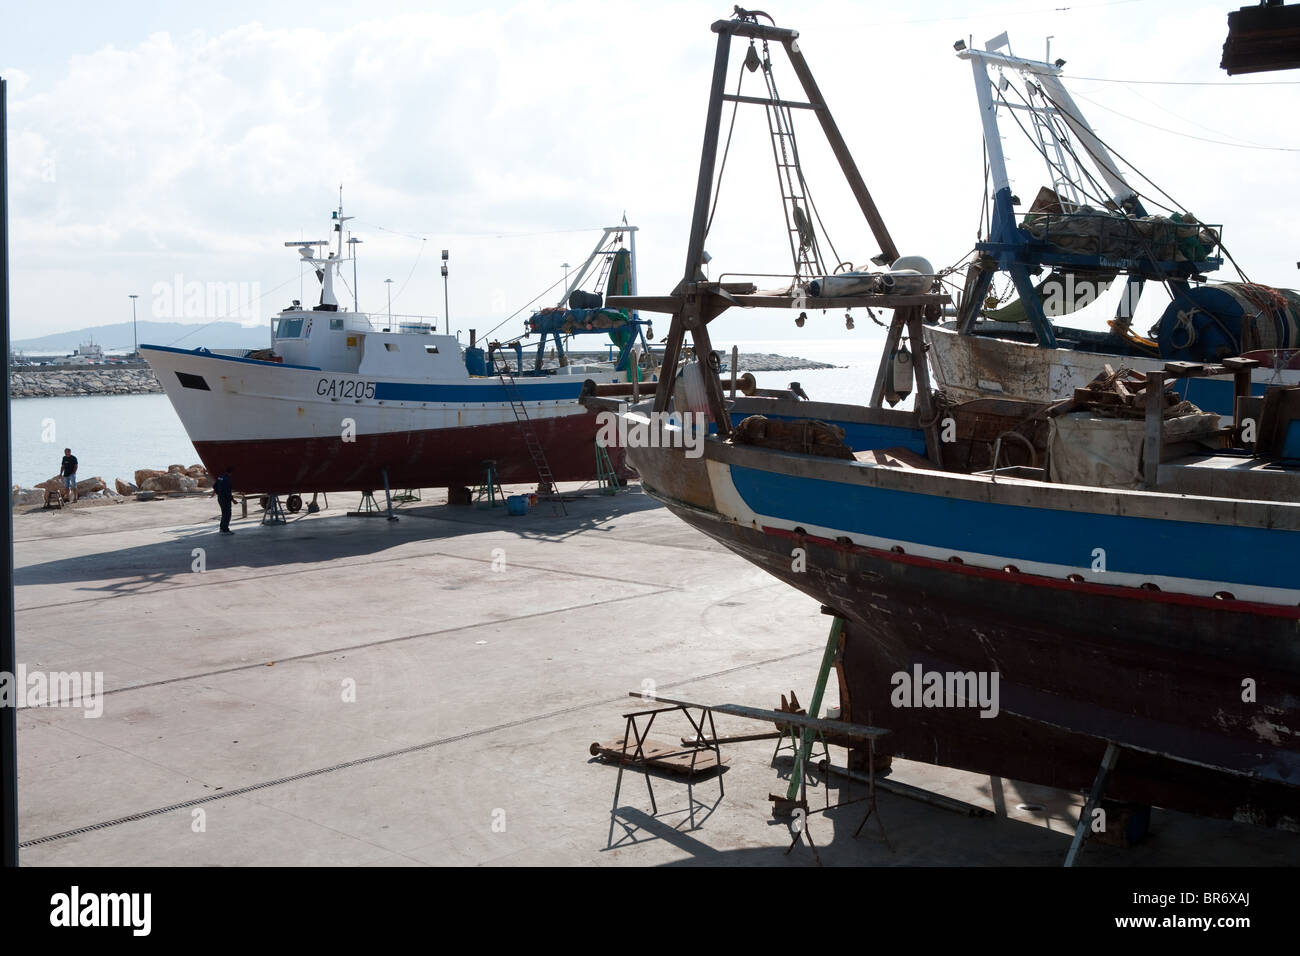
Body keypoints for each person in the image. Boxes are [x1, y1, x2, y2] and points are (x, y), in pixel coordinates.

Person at [212, 466, 235, 534]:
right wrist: (233, 500)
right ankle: (225, 530)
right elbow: (227, 492)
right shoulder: (227, 479)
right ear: (230, 473)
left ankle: (222, 528)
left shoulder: (220, 477)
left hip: (220, 498)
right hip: (226, 499)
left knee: (224, 513)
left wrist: (219, 493)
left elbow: (214, 486)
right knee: (227, 514)